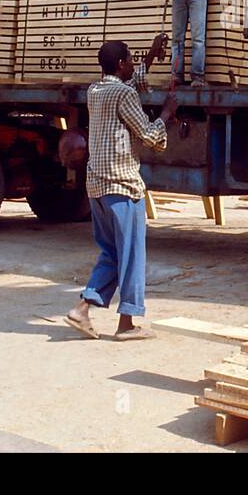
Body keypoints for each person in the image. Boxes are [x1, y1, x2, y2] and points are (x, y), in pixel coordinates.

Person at [65, 33, 177, 341]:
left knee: (112, 253)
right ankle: (127, 324)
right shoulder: (124, 95)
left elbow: (128, 85)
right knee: (132, 256)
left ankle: (82, 309)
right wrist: (166, 114)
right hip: (122, 186)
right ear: (120, 63)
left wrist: (152, 56)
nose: (132, 63)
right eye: (129, 59)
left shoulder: (96, 90)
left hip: (97, 187)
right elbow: (147, 135)